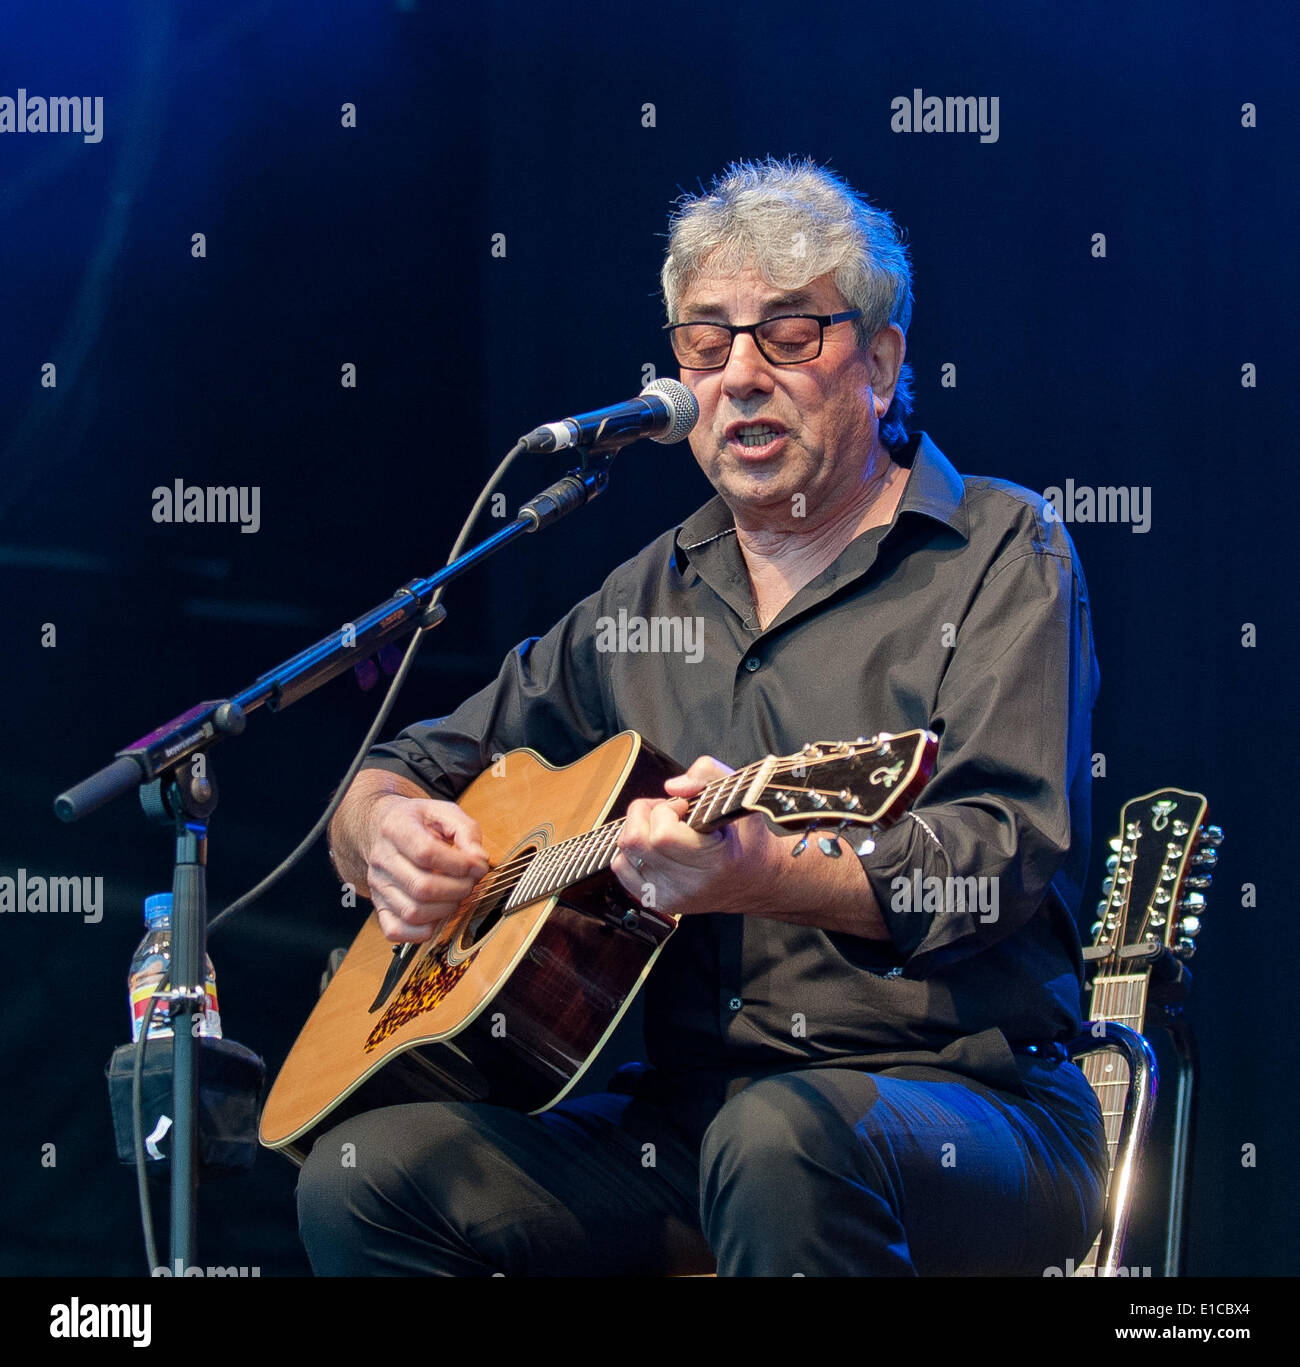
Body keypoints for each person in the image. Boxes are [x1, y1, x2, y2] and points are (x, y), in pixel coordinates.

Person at [296, 156, 1109, 1277]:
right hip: (686, 1124)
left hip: (969, 1105)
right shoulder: (645, 597)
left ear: (879, 361)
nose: (737, 376)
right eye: (704, 340)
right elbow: (405, 761)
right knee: (370, 1175)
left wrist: (769, 874)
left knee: (780, 1142)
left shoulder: (1001, 550)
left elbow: (1005, 849)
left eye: (786, 335)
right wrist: (381, 828)